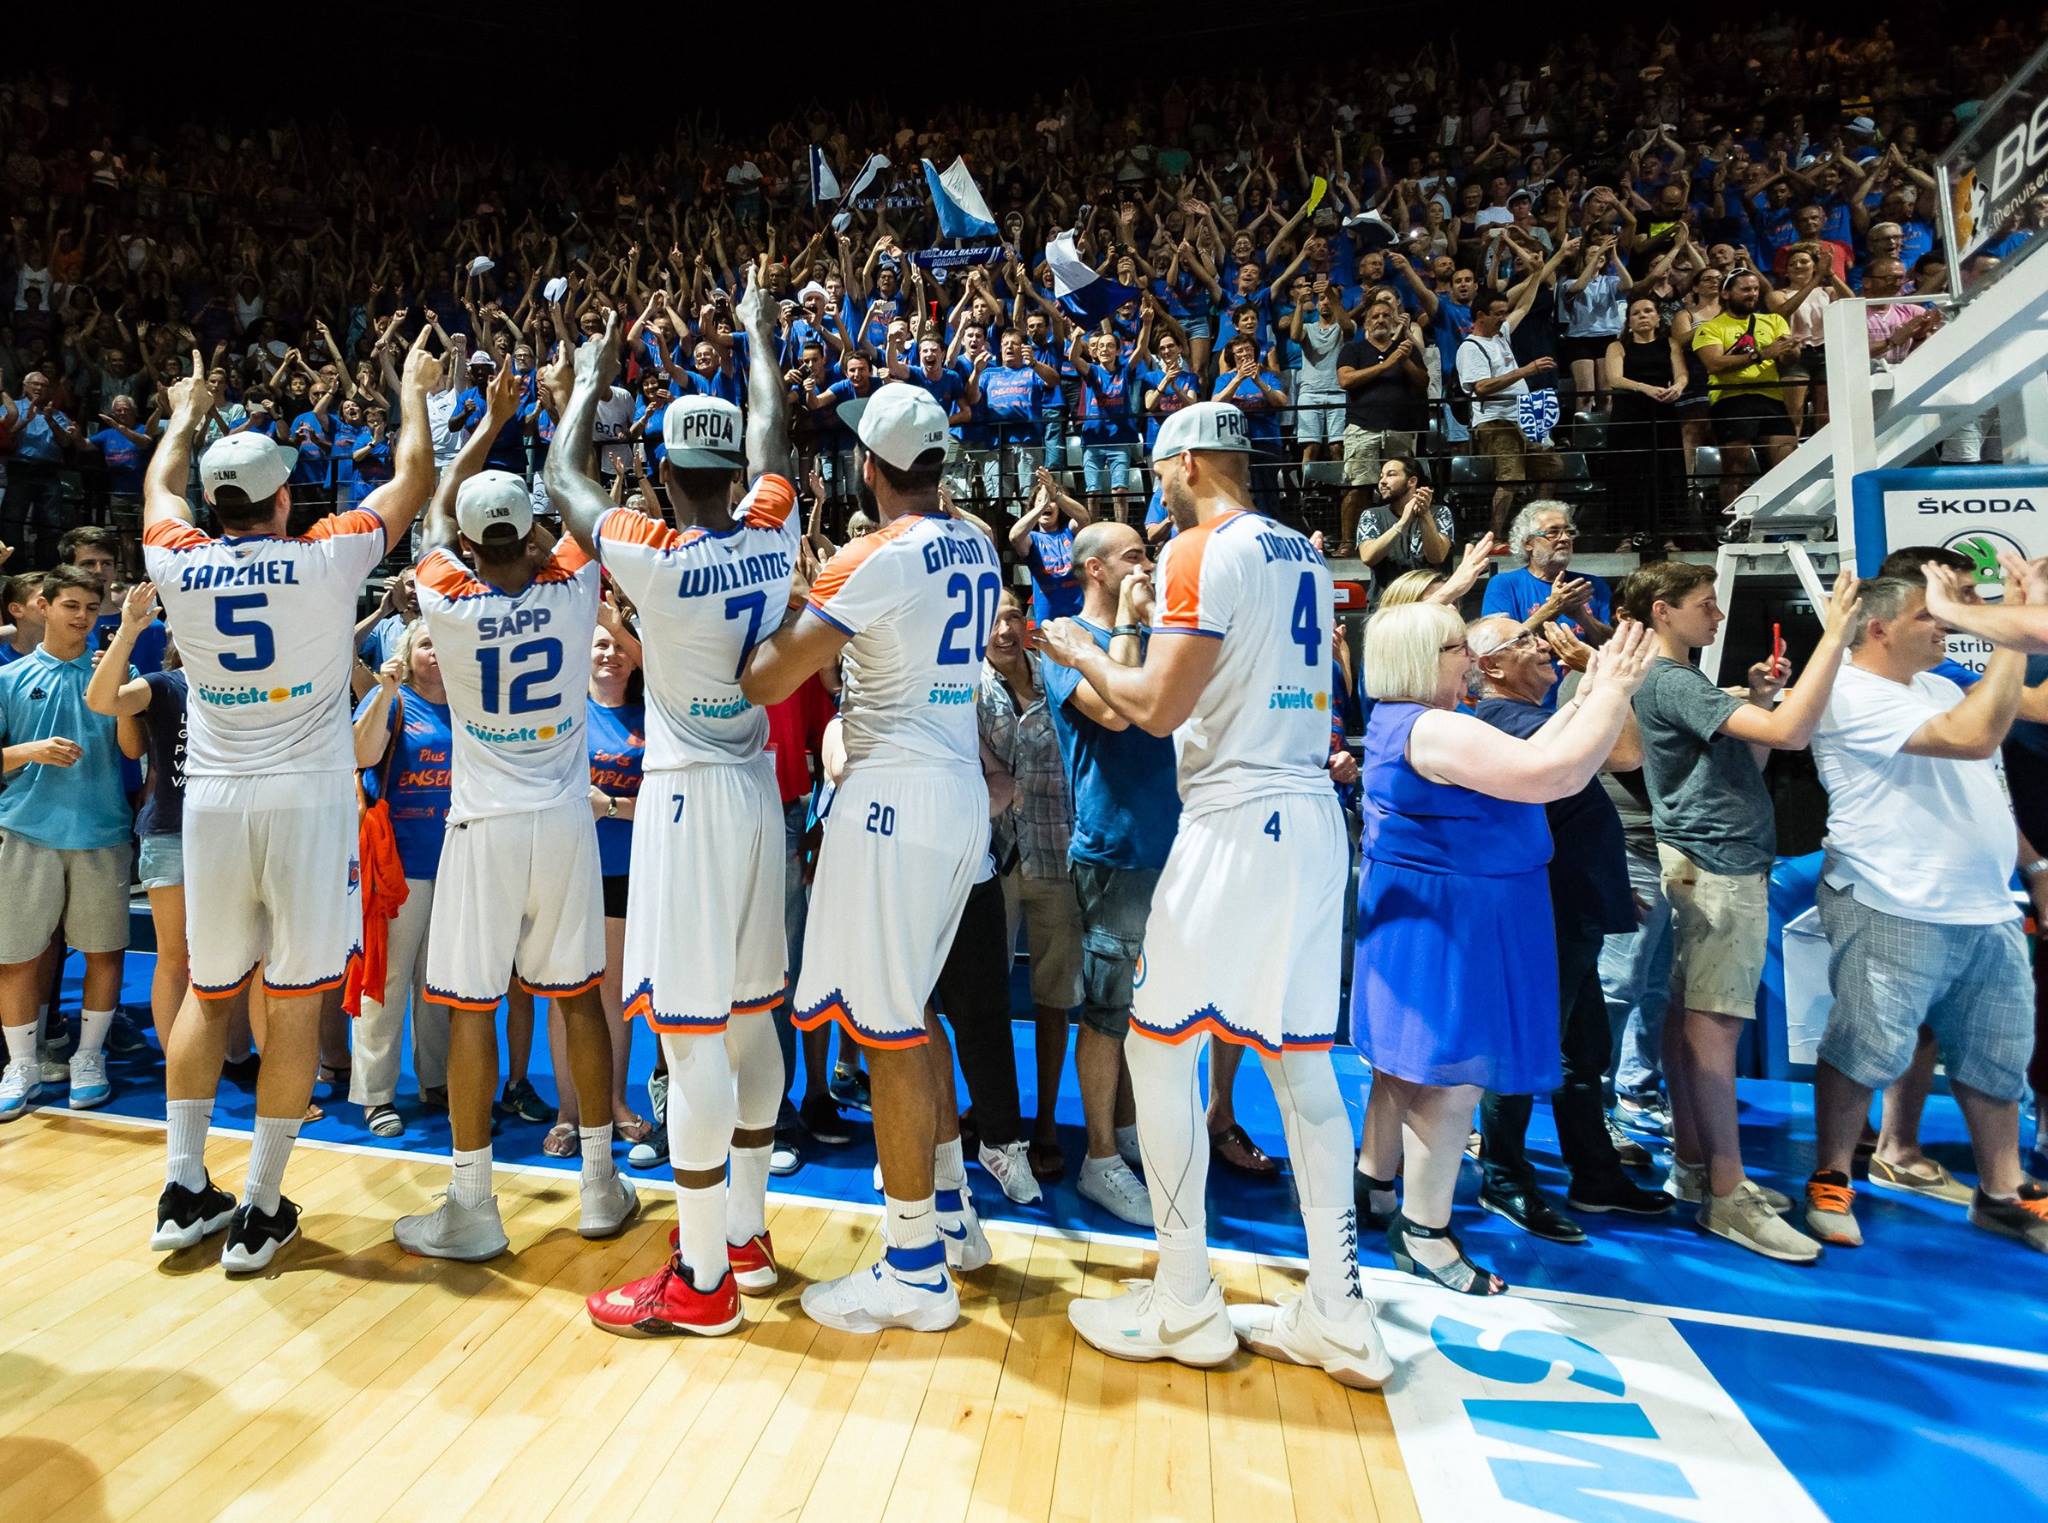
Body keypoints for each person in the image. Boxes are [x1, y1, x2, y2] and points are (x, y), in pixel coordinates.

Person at [1037, 401, 1391, 1390]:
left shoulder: (1200, 548)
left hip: (1235, 816)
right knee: (1301, 1063)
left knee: (1156, 1046)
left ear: (1189, 461)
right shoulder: (1302, 552)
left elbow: (1154, 707)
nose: (1156, 489)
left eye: (1159, 471)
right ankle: (1338, 1308)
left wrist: (1077, 650)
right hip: (1310, 816)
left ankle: (1185, 1292)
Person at [140, 345, 437, 1273]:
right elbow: (413, 478)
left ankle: (183, 1188)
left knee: (209, 992)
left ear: (214, 506)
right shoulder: (325, 554)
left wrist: (185, 415)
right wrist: (411, 392)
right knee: (297, 1001)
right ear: (282, 499)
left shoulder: (176, 558)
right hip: (305, 797)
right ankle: (261, 1207)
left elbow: (158, 485)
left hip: (213, 797)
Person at [552, 289, 797, 1337]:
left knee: (691, 1040)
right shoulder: (773, 532)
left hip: (687, 798)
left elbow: (563, 478)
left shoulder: (651, 551)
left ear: (663, 469)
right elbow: (775, 427)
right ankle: (743, 1232)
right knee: (750, 1022)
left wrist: (589, 379)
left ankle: (700, 1279)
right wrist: (757, 334)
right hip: (755, 791)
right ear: (735, 471)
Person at [740, 380, 998, 1336]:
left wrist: (781, 606)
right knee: (914, 1008)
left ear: (868, 465)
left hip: (895, 797)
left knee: (886, 1029)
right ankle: (954, 1214)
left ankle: (914, 1265)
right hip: (957, 794)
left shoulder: (873, 555)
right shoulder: (977, 542)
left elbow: (768, 678)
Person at [397, 357, 636, 1263]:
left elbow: (433, 512)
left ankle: (471, 1203)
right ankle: (601, 1185)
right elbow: (581, 508)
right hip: (566, 818)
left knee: (472, 1008)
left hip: (483, 824)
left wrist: (487, 424)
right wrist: (563, 401)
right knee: (579, 1001)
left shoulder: (446, 599)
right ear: (531, 536)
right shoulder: (572, 588)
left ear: (469, 545)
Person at [1352, 604, 1656, 1292]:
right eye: (1456, 647)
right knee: (1451, 1079)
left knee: (1411, 1065)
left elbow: (1535, 751)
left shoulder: (1410, 721)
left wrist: (1586, 693)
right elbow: (1553, 776)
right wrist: (1612, 690)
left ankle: (1376, 1186)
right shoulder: (1436, 728)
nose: (1469, 657)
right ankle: (1424, 1233)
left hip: (1442, 912)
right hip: (1458, 920)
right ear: (1422, 657)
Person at [1617, 559, 1861, 1264]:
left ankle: (1697, 1165)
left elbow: (1749, 762)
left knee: (1690, 1019)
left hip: (1710, 860)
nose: (1717, 616)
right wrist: (1834, 637)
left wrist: (1758, 699)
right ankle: (1727, 1192)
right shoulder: (1673, 680)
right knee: (1713, 1027)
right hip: (1716, 866)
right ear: (1662, 610)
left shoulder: (1680, 682)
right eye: (1705, 604)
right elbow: (1792, 734)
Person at [1803, 567, 2048, 1253]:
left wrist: (2032, 867)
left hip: (1984, 905)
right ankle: (1831, 1177)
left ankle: (2002, 1192)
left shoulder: (1938, 686)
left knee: (1998, 1055)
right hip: (1891, 897)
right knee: (1862, 1047)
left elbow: (1986, 776)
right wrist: (2013, 630)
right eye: (1927, 615)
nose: (1943, 624)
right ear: (1879, 628)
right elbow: (1972, 738)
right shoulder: (1845, 692)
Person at [1465, 615, 1675, 1238]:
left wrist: (1605, 886)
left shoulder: (1529, 717)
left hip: (1571, 907)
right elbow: (1627, 754)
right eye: (1523, 639)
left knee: (1582, 1054)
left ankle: (1594, 1174)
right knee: (1527, 1051)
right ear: (1491, 667)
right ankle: (1504, 1176)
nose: (1540, 644)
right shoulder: (1507, 720)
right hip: (1543, 916)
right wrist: (1600, 677)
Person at [1039, 517, 1161, 1227]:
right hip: (1114, 847)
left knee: (1147, 1012)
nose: (1147, 566)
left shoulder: (1154, 634)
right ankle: (1100, 1159)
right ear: (1095, 569)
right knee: (1108, 1012)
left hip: (1168, 841)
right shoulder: (1065, 639)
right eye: (1133, 557)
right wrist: (1131, 625)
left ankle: (1132, 1129)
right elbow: (1117, 714)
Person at [0, 565, 129, 1119]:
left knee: (105, 951)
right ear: (43, 606)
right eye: (70, 605)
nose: (82, 616)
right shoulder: (9, 678)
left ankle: (89, 1057)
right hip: (26, 830)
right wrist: (29, 751)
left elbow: (133, 750)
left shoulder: (116, 673)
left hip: (102, 831)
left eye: (91, 608)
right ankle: (21, 1065)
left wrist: (118, 686)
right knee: (17, 956)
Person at [979, 587, 1083, 1194]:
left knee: (1053, 998)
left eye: (1013, 616)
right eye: (993, 619)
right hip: (993, 860)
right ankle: (994, 1115)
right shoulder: (967, 687)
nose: (1003, 629)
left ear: (1028, 622)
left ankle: (1044, 1122)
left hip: (1056, 854)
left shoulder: (1060, 678)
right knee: (986, 997)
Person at [348, 623, 454, 1138]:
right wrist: (385, 691)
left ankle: (437, 1080)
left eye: (443, 642)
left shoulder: (469, 706)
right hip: (397, 865)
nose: (436, 653)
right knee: (386, 981)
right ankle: (375, 1094)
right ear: (407, 653)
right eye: (426, 644)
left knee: (440, 984)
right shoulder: (392, 701)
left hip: (455, 864)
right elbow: (361, 755)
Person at [84, 583, 187, 1055]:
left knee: (237, 958)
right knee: (175, 956)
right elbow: (102, 701)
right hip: (171, 830)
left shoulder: (250, 690)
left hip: (230, 830)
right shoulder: (164, 684)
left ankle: (234, 1053)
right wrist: (128, 630)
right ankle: (178, 1066)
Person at [1458, 280, 1564, 540]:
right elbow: (1482, 387)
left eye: (1505, 313)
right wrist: (1525, 371)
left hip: (1525, 415)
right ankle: (1494, 536)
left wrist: (1537, 273)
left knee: (1552, 467)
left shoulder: (1501, 335)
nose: (1503, 318)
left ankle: (1536, 528)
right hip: (1495, 420)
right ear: (1481, 316)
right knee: (1510, 478)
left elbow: (1525, 306)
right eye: (1498, 314)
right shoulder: (1470, 348)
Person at [1690, 270, 1797, 509]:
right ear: (1726, 293)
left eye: (1756, 289)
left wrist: (1791, 352)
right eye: (1746, 289)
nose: (1753, 294)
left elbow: (1787, 359)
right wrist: (1761, 354)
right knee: (1735, 466)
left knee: (1787, 460)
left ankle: (1782, 517)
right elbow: (1714, 363)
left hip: (1771, 396)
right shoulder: (1711, 328)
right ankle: (1730, 520)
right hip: (1731, 399)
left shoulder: (1774, 320)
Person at [1008, 467, 1091, 624]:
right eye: (1040, 500)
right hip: (1048, 624)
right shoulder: (1031, 539)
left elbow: (1084, 519)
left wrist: (1056, 495)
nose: (1047, 503)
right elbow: (1014, 536)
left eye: (1051, 501)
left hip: (1080, 620)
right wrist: (1042, 506)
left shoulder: (1070, 531)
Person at [1355, 455, 1453, 583]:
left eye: (1391, 475)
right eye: (1381, 476)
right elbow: (1368, 557)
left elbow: (1437, 557)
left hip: (1429, 594)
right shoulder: (1371, 515)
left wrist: (1425, 514)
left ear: (1412, 481)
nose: (1382, 481)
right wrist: (1402, 523)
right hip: (1387, 595)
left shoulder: (1440, 512)